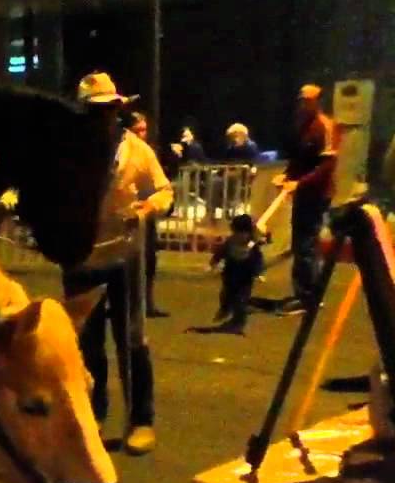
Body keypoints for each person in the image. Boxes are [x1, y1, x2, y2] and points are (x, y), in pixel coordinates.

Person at [63, 72, 173, 456]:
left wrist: (147, 208)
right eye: (95, 110)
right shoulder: (67, 151)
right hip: (81, 257)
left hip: (126, 254)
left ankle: (140, 419)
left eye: (109, 109)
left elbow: (164, 190)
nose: (103, 117)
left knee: (132, 339)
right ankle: (93, 414)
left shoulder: (136, 151)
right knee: (86, 342)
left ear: (118, 109)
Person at [276, 83, 337, 316]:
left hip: (317, 193)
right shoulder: (303, 126)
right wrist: (287, 175)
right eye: (302, 100)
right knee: (301, 243)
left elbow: (327, 166)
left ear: (318, 101)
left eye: (308, 100)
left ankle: (308, 298)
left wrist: (299, 183)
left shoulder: (324, 126)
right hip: (304, 193)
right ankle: (304, 294)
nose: (304, 104)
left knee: (306, 244)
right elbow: (299, 159)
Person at [127, 111, 175, 318]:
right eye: (137, 130)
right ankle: (130, 304)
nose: (141, 134)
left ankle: (147, 302)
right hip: (126, 214)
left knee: (148, 260)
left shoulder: (148, 152)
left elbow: (164, 181)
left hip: (146, 213)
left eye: (144, 130)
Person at [195, 214, 265, 335]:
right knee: (225, 295)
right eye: (238, 233)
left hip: (245, 279)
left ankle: (238, 323)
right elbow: (220, 253)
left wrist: (258, 273)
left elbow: (258, 259)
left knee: (241, 301)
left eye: (243, 233)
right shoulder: (230, 242)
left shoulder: (252, 246)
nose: (240, 236)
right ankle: (224, 309)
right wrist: (212, 264)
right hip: (230, 276)